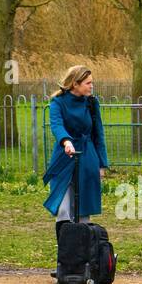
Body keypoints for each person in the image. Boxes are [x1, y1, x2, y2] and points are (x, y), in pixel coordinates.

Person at [43, 66, 109, 230]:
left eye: (91, 82)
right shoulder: (57, 103)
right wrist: (66, 142)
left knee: (83, 210)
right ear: (75, 84)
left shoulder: (92, 103)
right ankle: (65, 250)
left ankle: (83, 250)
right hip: (64, 158)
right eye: (88, 83)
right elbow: (57, 125)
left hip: (88, 158)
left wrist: (101, 164)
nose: (91, 86)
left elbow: (98, 134)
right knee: (63, 209)